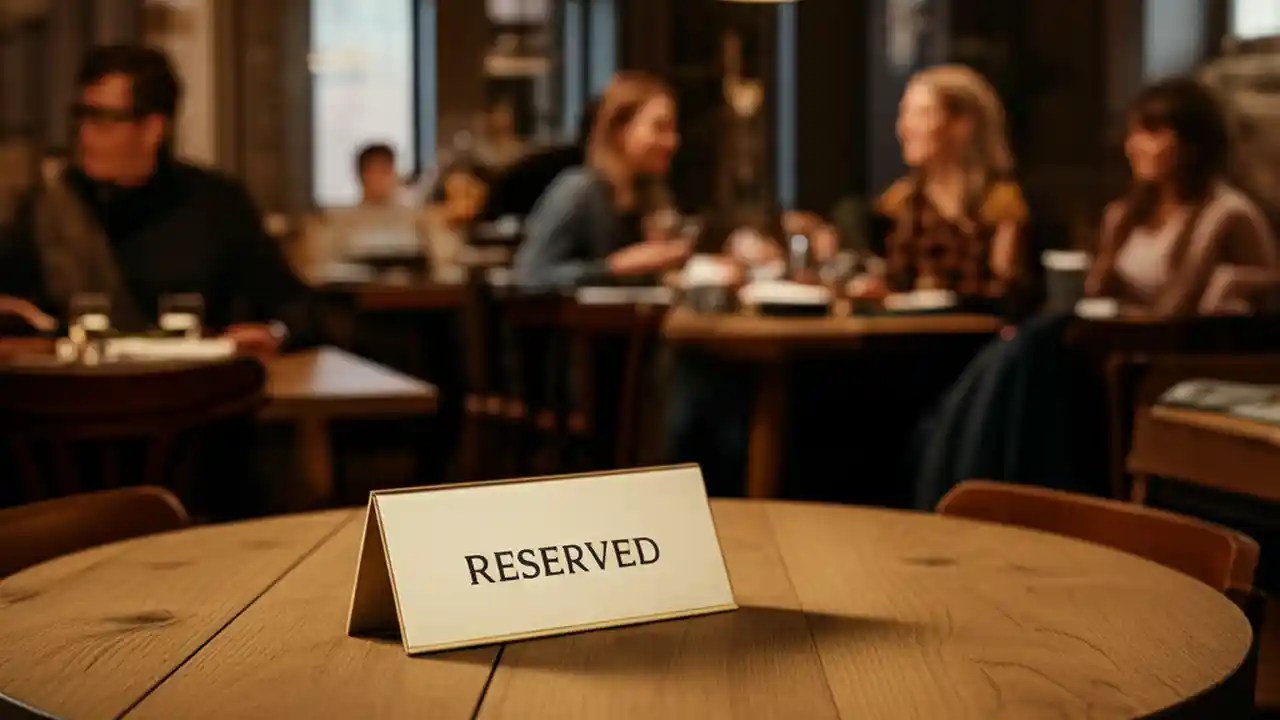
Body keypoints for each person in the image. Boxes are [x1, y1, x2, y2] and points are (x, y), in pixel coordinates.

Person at [911, 76, 1278, 510]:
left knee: (1033, 348)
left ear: (1194, 144)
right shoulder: (1129, 212)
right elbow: (1097, 291)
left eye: (1153, 133)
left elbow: (1180, 308)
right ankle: (963, 475)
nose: (1135, 145)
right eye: (1134, 132)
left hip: (1166, 356)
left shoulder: (1226, 213)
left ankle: (976, 486)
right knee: (1018, 349)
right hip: (1112, 348)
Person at [0, 45, 317, 354]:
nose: (84, 135)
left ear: (153, 129)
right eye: (81, 116)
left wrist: (275, 333)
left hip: (190, 394)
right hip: (77, 396)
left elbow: (298, 309)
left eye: (103, 119)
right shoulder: (48, 208)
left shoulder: (215, 203)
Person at [852, 65, 1028, 305]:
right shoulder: (899, 202)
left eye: (921, 114)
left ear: (963, 124)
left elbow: (1006, 293)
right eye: (904, 114)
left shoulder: (1001, 203)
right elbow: (891, 281)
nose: (905, 128)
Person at [513, 72, 691, 290]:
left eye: (673, 129)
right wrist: (612, 268)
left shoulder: (649, 195)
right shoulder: (578, 190)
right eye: (660, 128)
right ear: (620, 130)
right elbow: (531, 276)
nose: (672, 141)